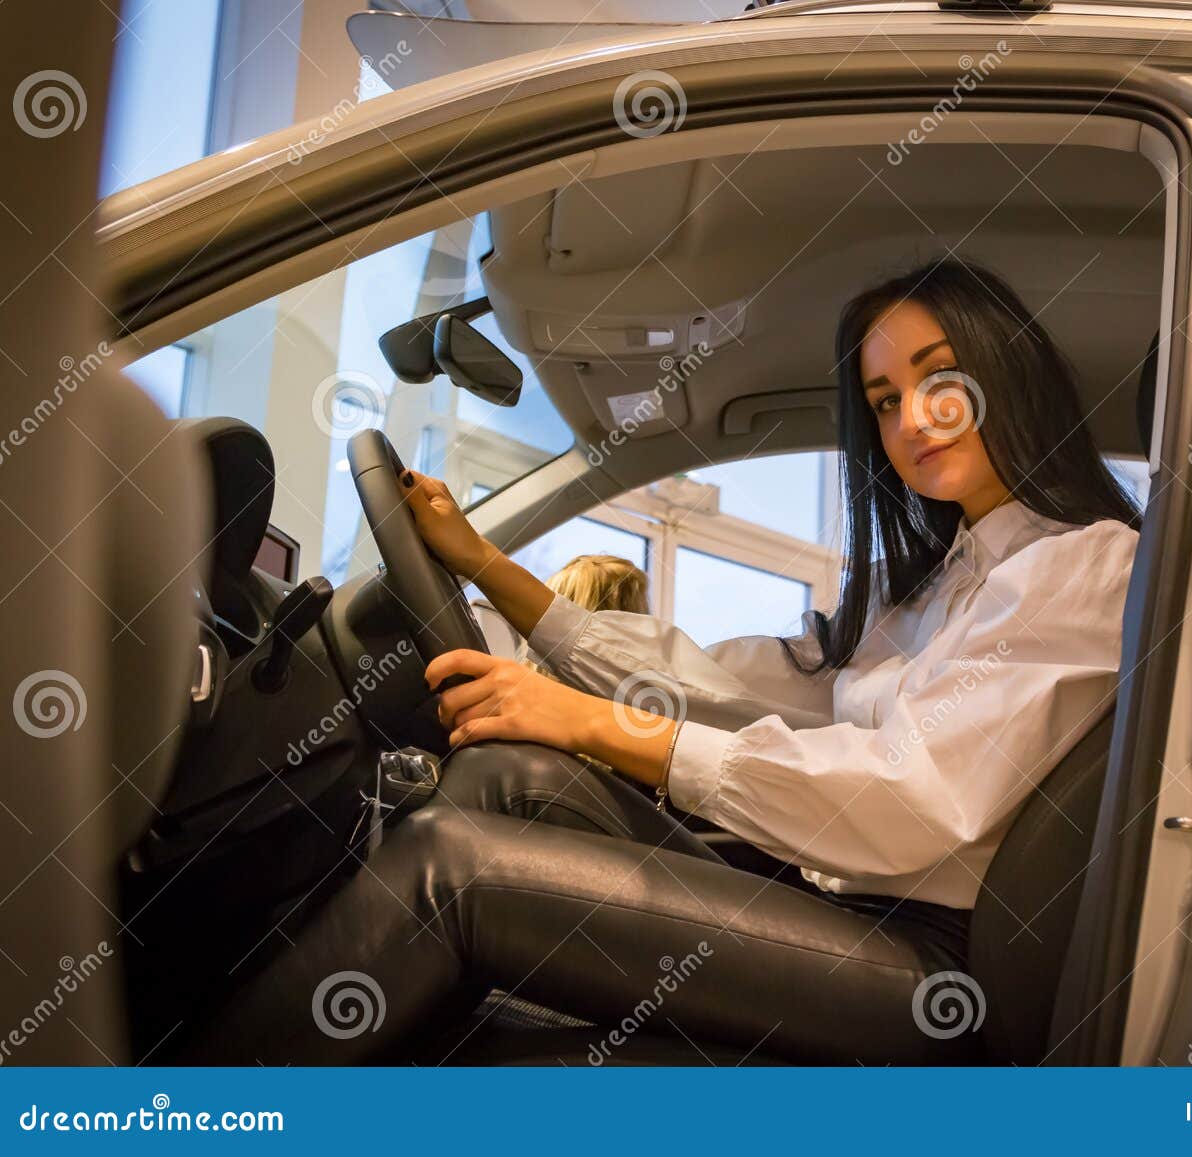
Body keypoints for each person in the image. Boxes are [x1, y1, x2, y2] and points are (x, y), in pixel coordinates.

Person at [187, 257, 1142, 1065]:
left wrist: (596, 722)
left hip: (928, 969)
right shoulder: (933, 587)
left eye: (941, 376)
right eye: (886, 401)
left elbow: (904, 796)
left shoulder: (1083, 563)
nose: (911, 421)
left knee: (453, 868)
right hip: (851, 903)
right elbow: (718, 681)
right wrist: (483, 564)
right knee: (506, 772)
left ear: (1006, 371)